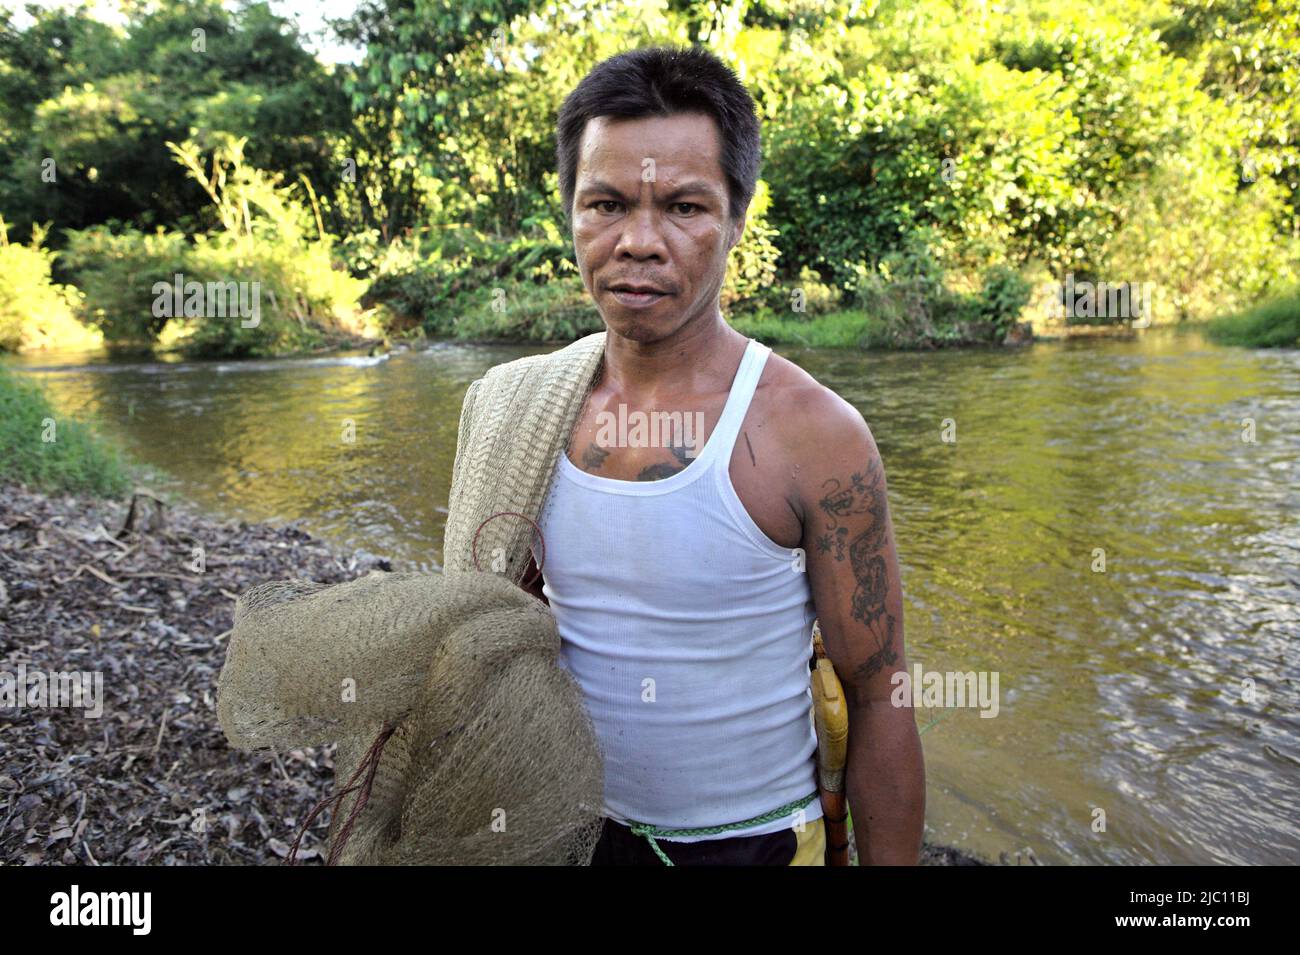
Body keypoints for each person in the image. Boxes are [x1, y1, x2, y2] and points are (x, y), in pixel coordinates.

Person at [464, 45, 925, 865]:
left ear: (738, 218)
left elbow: (882, 692)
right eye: (605, 203)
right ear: (569, 212)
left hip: (756, 844)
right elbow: (494, 625)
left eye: (684, 206)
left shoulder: (812, 433)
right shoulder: (516, 411)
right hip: (566, 829)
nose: (640, 241)